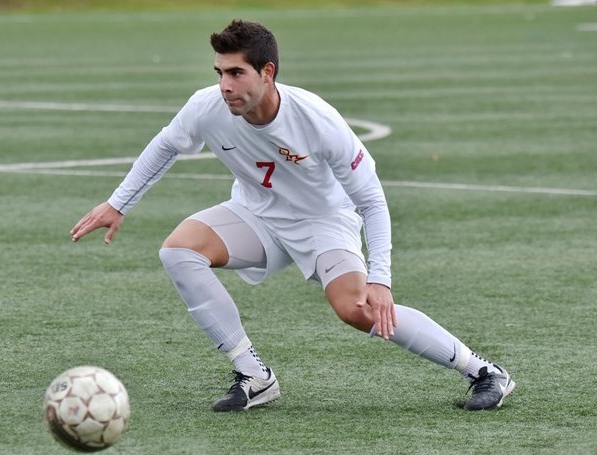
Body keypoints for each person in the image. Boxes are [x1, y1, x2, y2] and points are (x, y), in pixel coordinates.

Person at [70, 19, 515, 412]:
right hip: (255, 214)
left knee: (357, 308)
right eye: (220, 72)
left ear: (268, 72)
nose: (225, 85)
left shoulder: (317, 120)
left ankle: (484, 372)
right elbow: (166, 144)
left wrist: (381, 278)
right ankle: (254, 376)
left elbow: (372, 201)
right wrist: (118, 203)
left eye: (236, 73)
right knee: (179, 252)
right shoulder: (207, 106)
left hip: (324, 221)